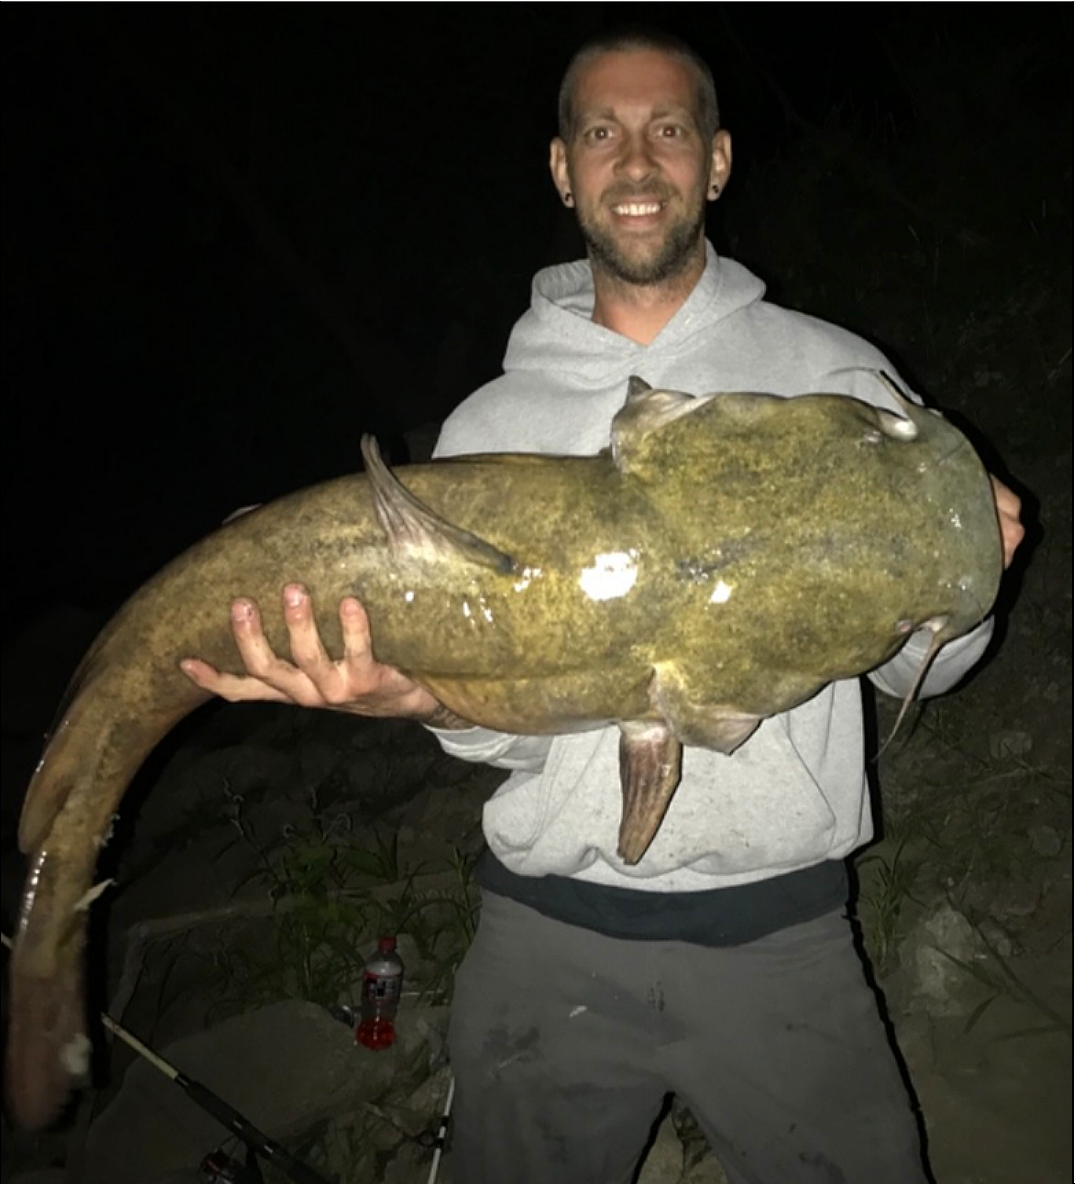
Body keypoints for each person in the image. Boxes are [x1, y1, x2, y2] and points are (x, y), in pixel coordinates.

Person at [181, 27, 1024, 1185]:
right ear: (562, 168)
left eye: (668, 130)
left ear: (716, 162)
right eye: (601, 133)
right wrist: (421, 699)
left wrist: (970, 574)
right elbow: (495, 737)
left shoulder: (841, 378)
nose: (636, 162)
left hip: (783, 935)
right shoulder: (485, 435)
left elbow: (919, 661)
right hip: (547, 936)